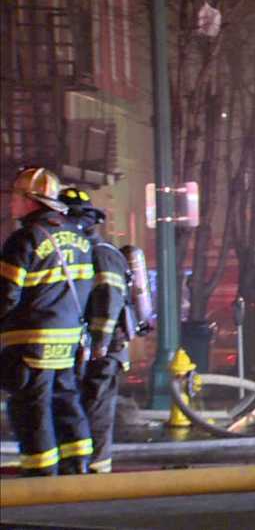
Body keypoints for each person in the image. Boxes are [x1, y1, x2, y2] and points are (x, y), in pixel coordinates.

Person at [0, 168, 94, 475]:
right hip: (66, 342)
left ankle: (40, 476)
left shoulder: (24, 239)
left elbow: (7, 294)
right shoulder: (79, 238)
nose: (10, 203)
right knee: (66, 402)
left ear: (29, 200)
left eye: (14, 196)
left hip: (30, 343)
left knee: (32, 408)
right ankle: (77, 464)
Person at [59, 188, 128, 474]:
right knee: (84, 406)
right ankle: (83, 466)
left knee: (97, 409)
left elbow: (110, 299)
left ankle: (98, 471)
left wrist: (99, 342)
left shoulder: (101, 254)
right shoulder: (84, 251)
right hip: (89, 346)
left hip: (105, 348)